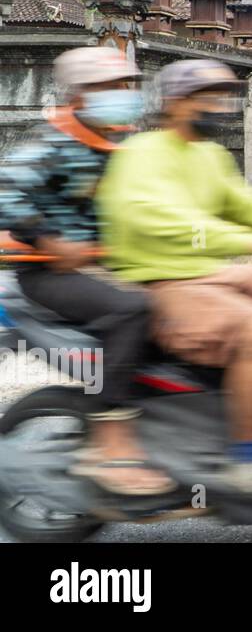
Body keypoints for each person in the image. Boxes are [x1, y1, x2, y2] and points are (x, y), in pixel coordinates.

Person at [96, 59, 252, 499]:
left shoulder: (210, 155)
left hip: (211, 272)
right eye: (205, 97)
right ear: (174, 103)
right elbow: (168, 222)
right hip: (163, 281)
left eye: (219, 96)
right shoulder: (141, 154)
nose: (216, 106)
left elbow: (247, 207)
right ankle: (251, 455)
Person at [0, 46, 174, 496]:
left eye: (125, 86)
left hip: (107, 264)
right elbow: (10, 198)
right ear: (79, 97)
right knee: (134, 310)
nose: (122, 95)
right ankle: (109, 442)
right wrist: (49, 239)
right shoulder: (55, 145)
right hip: (49, 274)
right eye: (110, 87)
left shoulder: (117, 146)